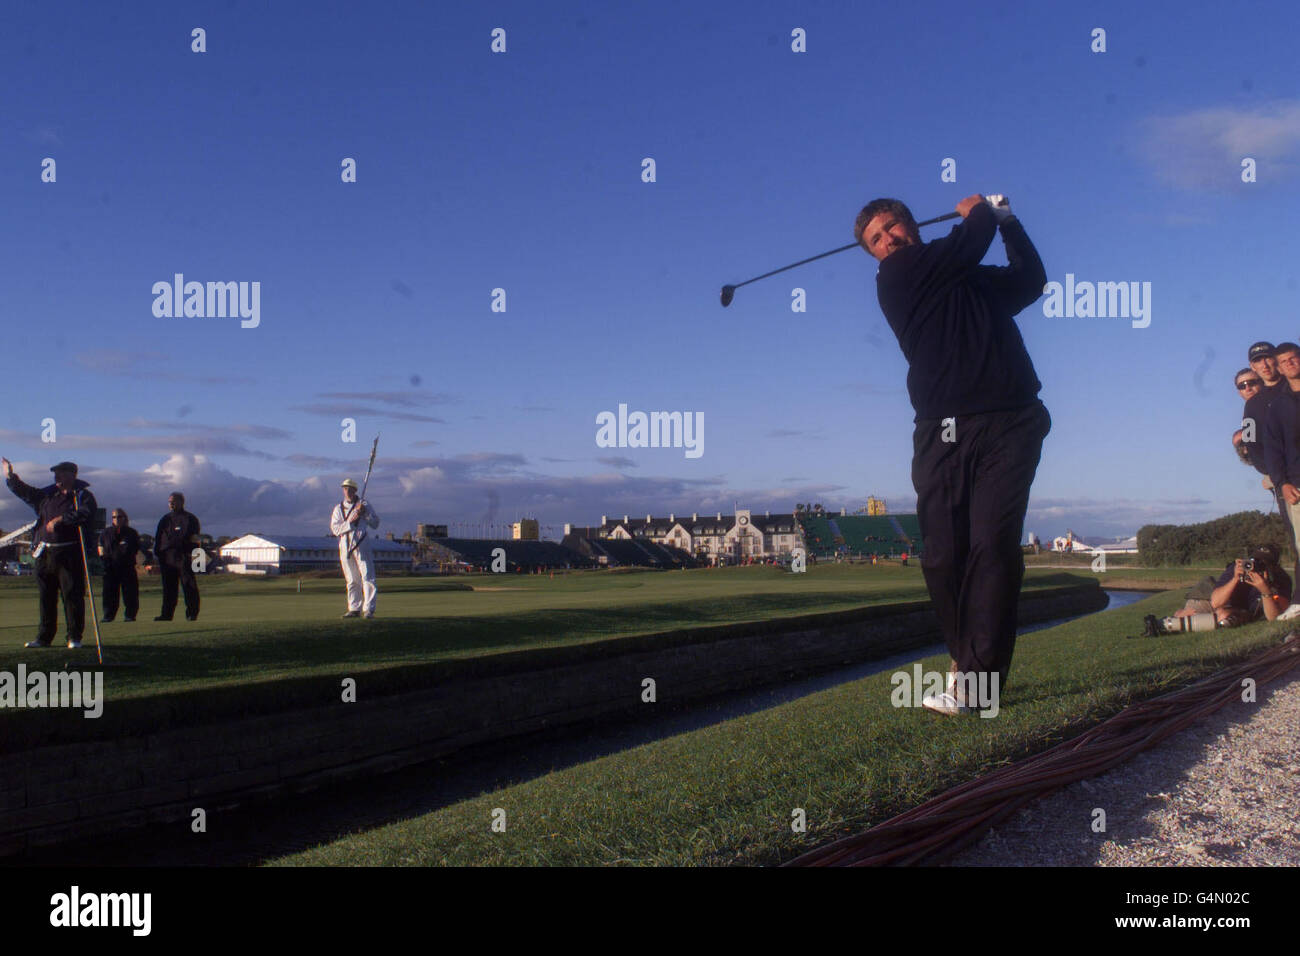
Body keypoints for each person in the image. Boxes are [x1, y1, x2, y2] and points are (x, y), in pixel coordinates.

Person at [857, 192, 1050, 716]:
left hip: (1011, 420)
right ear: (874, 254)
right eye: (877, 238)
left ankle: (975, 684)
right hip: (940, 431)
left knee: (992, 544)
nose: (889, 238)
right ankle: (964, 663)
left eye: (893, 226)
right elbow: (970, 237)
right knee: (942, 555)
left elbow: (1031, 280)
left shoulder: (966, 276)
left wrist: (1009, 222)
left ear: (911, 224)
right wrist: (982, 210)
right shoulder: (897, 277)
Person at [1, 458, 98, 648]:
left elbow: (86, 513)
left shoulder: (82, 496)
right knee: (46, 597)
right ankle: (44, 638)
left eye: (61, 473)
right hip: (45, 554)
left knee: (72, 596)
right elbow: (26, 492)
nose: (56, 476)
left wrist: (60, 519)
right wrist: (10, 476)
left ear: (72, 474)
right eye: (55, 473)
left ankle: (74, 637)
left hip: (69, 553)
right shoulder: (47, 497)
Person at [1144, 545, 1290, 634]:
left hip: (1239, 610)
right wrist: (1234, 579)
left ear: (1274, 567)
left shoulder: (1280, 580)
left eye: (1263, 564)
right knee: (1187, 615)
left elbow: (1274, 618)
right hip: (1218, 601)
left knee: (1223, 618)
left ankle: (1184, 622)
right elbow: (1216, 602)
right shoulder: (1236, 569)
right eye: (1254, 562)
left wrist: (1265, 590)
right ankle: (1164, 624)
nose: (1256, 567)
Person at [330, 478, 380, 618]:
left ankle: (369, 609)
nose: (348, 491)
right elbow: (335, 529)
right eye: (345, 489)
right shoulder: (338, 509)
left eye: (350, 489)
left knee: (367, 577)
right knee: (352, 579)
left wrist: (364, 514)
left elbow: (375, 523)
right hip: (345, 546)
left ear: (355, 490)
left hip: (361, 544)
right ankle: (354, 608)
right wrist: (350, 523)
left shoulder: (364, 504)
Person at [154, 492, 201, 621]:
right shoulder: (165, 519)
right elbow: (159, 537)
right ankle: (166, 614)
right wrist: (158, 553)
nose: (171, 504)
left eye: (173, 501)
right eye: (169, 502)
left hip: (183, 556)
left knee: (188, 585)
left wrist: (194, 557)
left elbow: (195, 540)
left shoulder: (190, 519)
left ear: (181, 502)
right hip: (167, 557)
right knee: (169, 588)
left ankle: (191, 613)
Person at [98, 508, 140, 622]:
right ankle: (108, 615)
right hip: (110, 568)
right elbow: (101, 548)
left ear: (124, 518)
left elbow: (135, 549)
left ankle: (130, 615)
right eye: (114, 517)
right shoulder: (105, 533)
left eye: (119, 517)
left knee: (130, 593)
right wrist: (104, 560)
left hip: (127, 567)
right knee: (109, 593)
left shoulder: (132, 533)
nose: (116, 519)